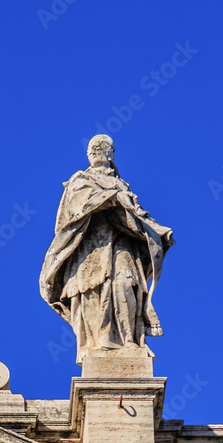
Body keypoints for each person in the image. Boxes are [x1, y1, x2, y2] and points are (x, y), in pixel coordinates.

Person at [40, 135, 174, 363]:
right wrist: (113, 198)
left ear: (111, 154)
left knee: (125, 284)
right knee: (94, 290)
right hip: (91, 247)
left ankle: (129, 342)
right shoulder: (80, 179)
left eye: (102, 148)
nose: (95, 151)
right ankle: (98, 344)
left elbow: (136, 216)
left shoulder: (122, 185)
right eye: (92, 148)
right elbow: (78, 206)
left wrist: (157, 231)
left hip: (122, 245)